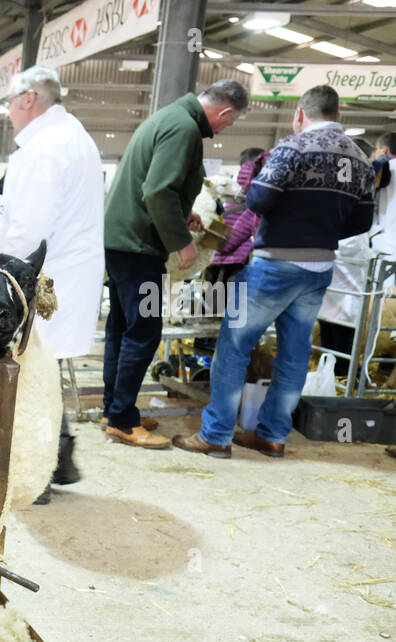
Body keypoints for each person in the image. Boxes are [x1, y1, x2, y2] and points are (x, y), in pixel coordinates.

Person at [174, 86, 374, 459]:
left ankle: (215, 435)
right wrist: (322, 233)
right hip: (319, 269)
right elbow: (362, 220)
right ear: (338, 114)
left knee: (233, 347)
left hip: (275, 264)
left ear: (301, 114)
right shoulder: (358, 157)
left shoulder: (292, 148)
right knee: (295, 354)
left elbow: (259, 199)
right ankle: (272, 436)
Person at [101, 78, 248, 450]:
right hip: (141, 247)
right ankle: (122, 419)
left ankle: (115, 409)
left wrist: (183, 217)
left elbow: (149, 187)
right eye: (228, 123)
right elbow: (157, 190)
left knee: (122, 327)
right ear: (225, 111)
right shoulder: (184, 128)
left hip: (122, 241)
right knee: (145, 331)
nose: (224, 129)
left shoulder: (168, 118)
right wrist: (181, 243)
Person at [0, 66, 104, 498]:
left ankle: (42, 468)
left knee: (32, 369)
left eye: (9, 104)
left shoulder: (48, 148)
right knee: (41, 366)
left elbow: (28, 228)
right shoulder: (66, 137)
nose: (7, 114)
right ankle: (59, 458)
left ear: (28, 100)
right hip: (61, 272)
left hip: (45, 277)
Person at [208, 147, 269, 286]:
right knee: (235, 302)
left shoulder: (225, 191)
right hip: (239, 260)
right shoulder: (258, 194)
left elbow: (212, 232)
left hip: (214, 257)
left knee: (210, 301)